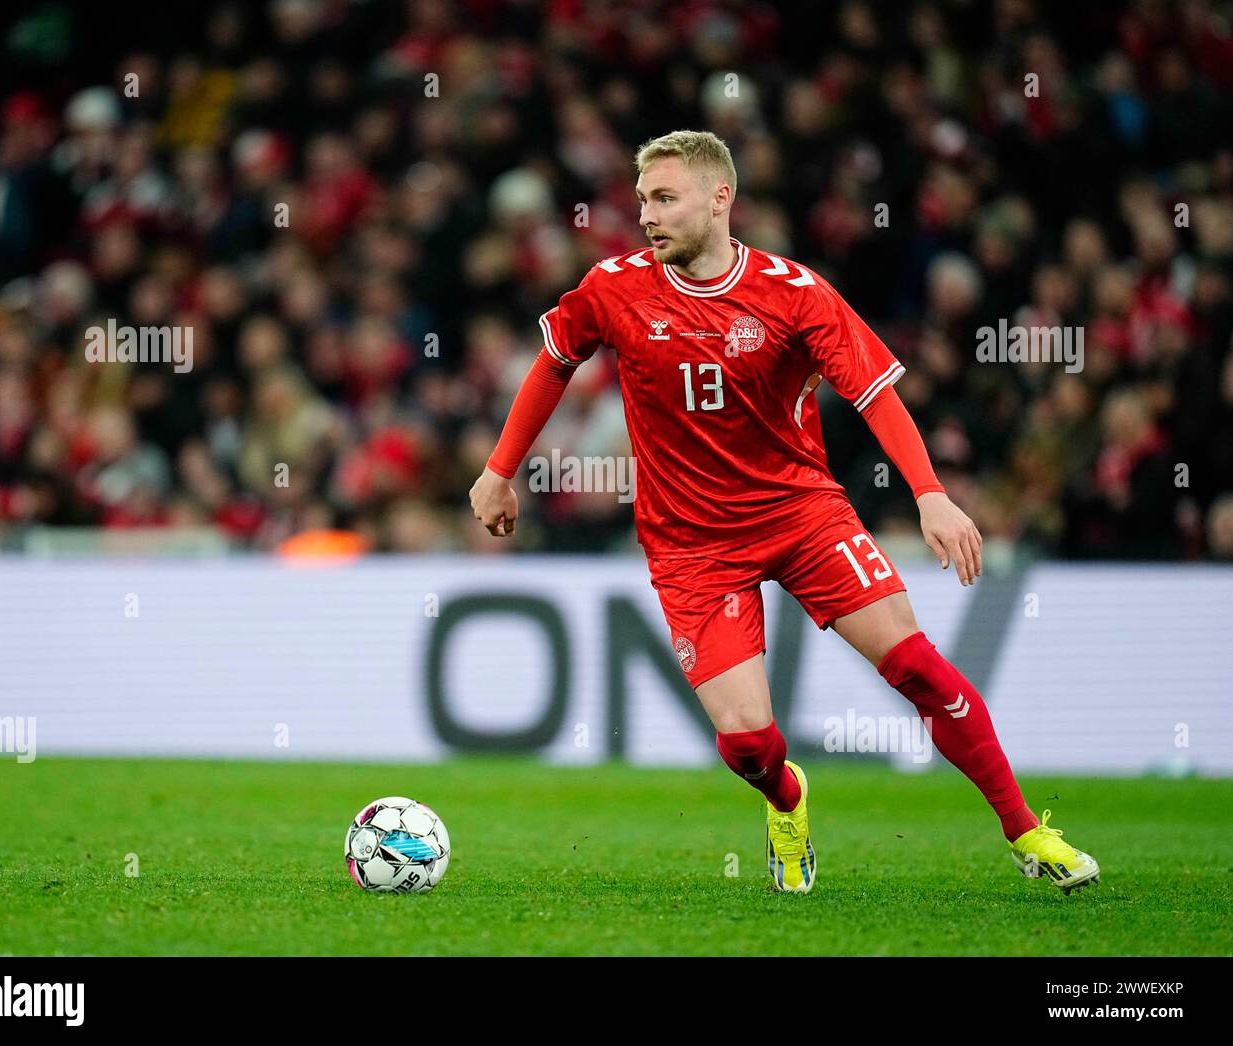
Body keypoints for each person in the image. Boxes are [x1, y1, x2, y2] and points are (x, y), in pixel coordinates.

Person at [468, 130, 1098, 895]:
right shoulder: (614, 288)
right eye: (642, 201)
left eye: (665, 198)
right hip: (691, 543)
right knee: (748, 743)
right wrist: (500, 472)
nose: (648, 216)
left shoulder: (794, 293)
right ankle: (787, 801)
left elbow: (875, 395)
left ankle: (1027, 831)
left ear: (720, 198)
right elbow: (553, 363)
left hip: (802, 516)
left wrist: (929, 493)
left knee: (915, 666)